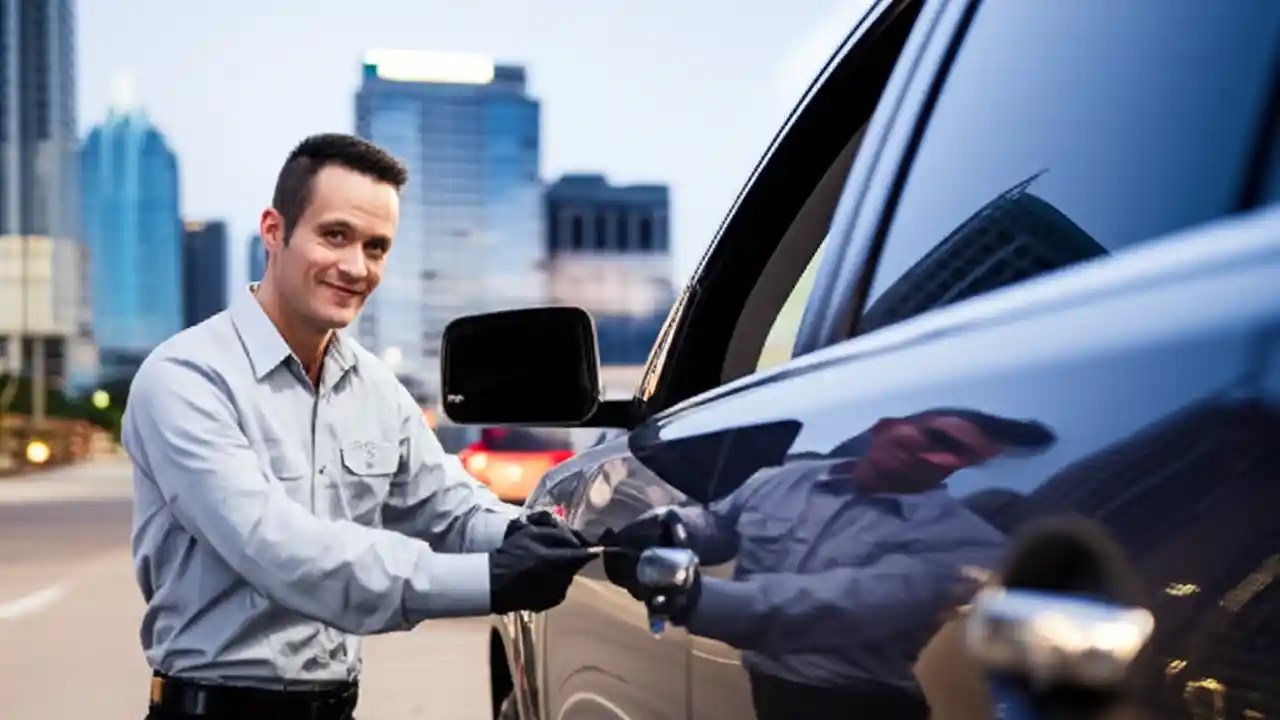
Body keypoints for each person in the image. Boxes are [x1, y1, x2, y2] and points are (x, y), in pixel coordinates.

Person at [123, 134, 594, 720]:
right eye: (335, 235)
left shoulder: (375, 387)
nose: (355, 267)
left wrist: (537, 535)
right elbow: (281, 551)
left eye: (376, 247)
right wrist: (494, 580)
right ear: (274, 230)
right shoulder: (185, 377)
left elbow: (449, 508)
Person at [604, 408, 1056, 720]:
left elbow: (829, 607)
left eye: (959, 455)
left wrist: (682, 594)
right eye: (935, 438)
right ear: (886, 425)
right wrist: (668, 528)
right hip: (766, 690)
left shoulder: (965, 543)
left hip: (861, 708)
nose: (939, 458)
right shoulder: (783, 480)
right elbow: (718, 524)